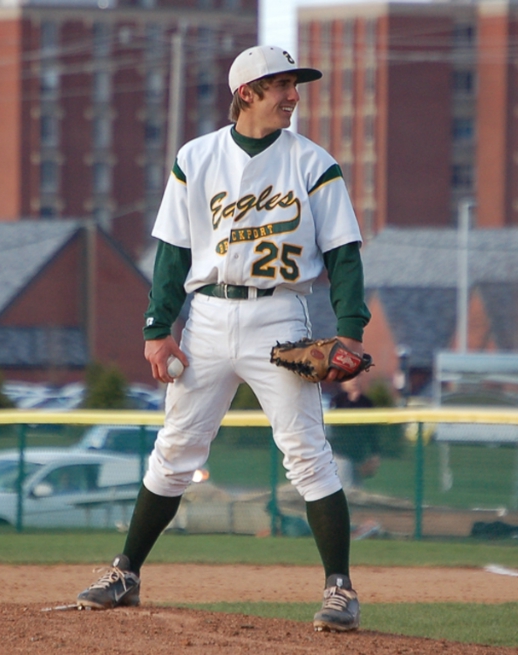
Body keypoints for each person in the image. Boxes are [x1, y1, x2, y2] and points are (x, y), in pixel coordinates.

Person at [75, 44, 370, 633]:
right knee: (176, 449)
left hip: (281, 317)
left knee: (307, 453)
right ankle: (125, 573)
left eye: (294, 85)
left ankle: (340, 590)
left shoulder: (313, 163)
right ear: (246, 94)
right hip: (208, 316)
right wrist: (159, 329)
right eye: (281, 85)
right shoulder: (196, 157)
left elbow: (343, 255)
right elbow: (173, 251)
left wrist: (350, 332)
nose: (293, 95)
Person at [328, 378, 381, 487]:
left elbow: (372, 431)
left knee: (357, 491)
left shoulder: (366, 402)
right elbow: (337, 426)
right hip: (341, 454)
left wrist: (374, 454)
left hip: (359, 456)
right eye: (349, 378)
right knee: (344, 489)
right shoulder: (337, 400)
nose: (354, 380)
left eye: (357, 377)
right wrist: (352, 400)